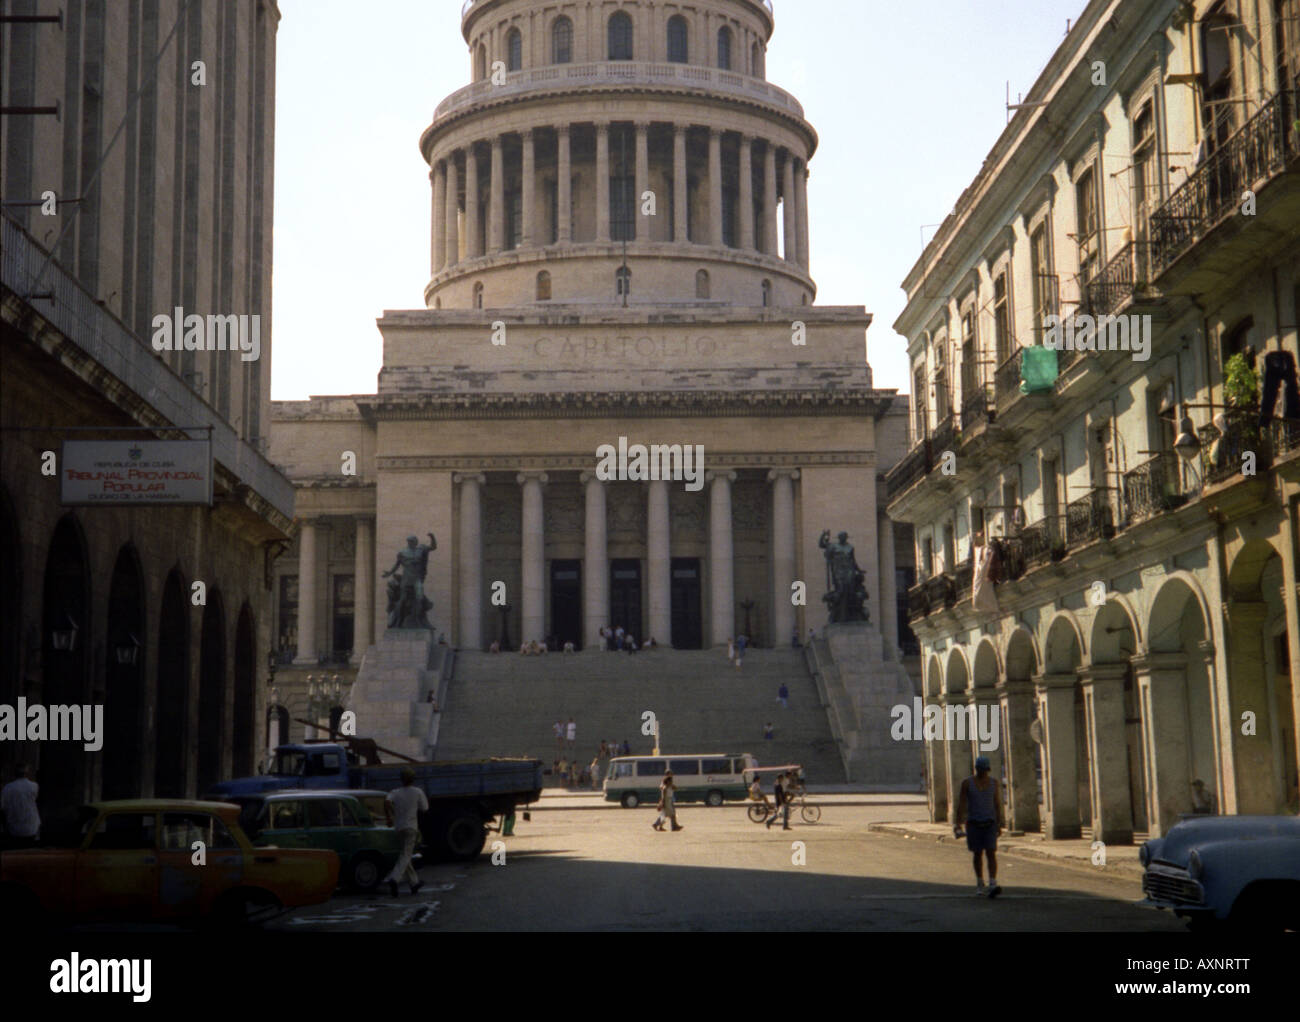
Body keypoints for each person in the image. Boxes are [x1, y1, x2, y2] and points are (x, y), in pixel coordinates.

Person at [955, 755, 1004, 897]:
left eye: (985, 770)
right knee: (977, 854)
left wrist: (999, 823)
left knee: (991, 852)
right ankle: (980, 881)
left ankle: (993, 882)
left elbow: (996, 804)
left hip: (989, 823)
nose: (983, 772)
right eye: (981, 769)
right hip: (974, 824)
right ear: (976, 768)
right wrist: (958, 823)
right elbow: (962, 804)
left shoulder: (994, 783)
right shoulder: (967, 783)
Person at [383, 768, 428, 897]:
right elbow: (424, 808)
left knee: (404, 855)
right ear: (413, 779)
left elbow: (386, 802)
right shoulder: (417, 792)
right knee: (406, 855)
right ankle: (394, 878)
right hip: (411, 827)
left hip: (398, 827)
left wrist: (389, 816)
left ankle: (414, 883)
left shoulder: (395, 792)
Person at [1, 764, 40, 849]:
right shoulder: (34, 786)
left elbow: (3, 807)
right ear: (27, 773)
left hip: (15, 828)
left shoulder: (8, 788)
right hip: (32, 827)